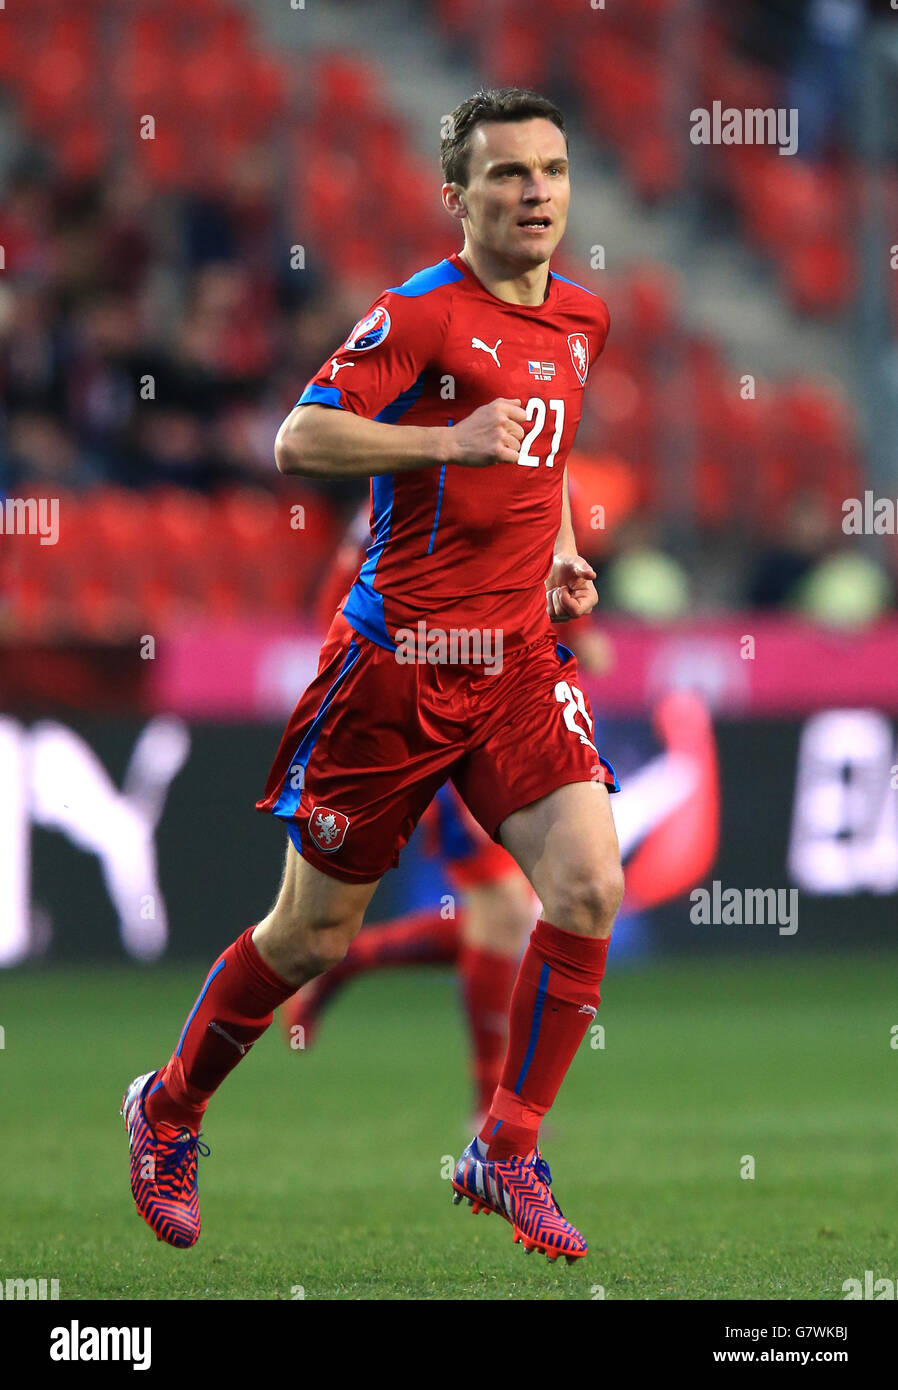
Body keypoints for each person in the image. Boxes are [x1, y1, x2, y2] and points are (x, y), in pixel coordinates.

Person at [123, 86, 623, 1264]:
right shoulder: (421, 317)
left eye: (549, 170)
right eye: (506, 175)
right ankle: (170, 1107)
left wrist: (558, 555)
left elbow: (543, 460)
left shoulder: (584, 320)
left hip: (509, 666)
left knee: (589, 887)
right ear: (457, 198)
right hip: (392, 671)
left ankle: (505, 1146)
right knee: (309, 936)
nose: (534, 192)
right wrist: (444, 438)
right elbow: (297, 437)